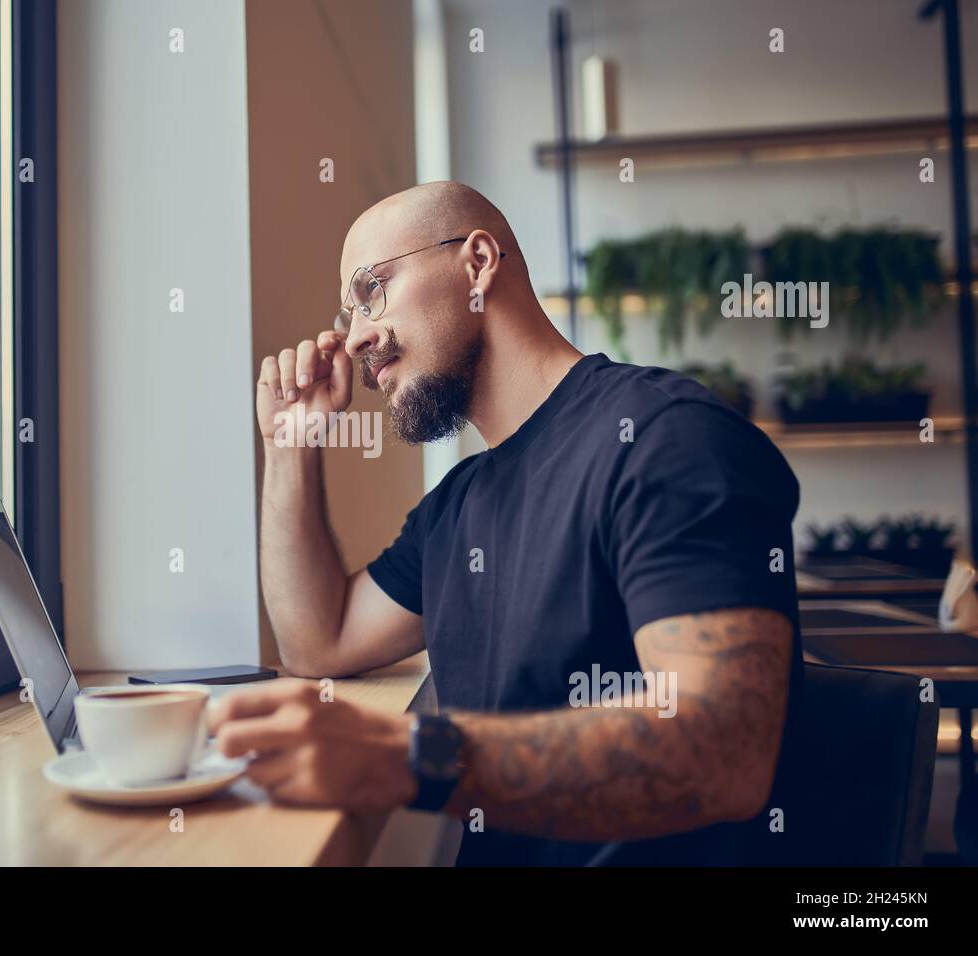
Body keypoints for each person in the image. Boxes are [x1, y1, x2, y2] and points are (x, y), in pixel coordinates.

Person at [208, 181, 802, 866]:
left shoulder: (668, 441)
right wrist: (291, 443)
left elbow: (722, 752)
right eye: (346, 315)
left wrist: (410, 757)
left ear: (479, 262)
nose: (358, 338)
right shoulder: (460, 503)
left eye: (372, 290)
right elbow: (319, 640)